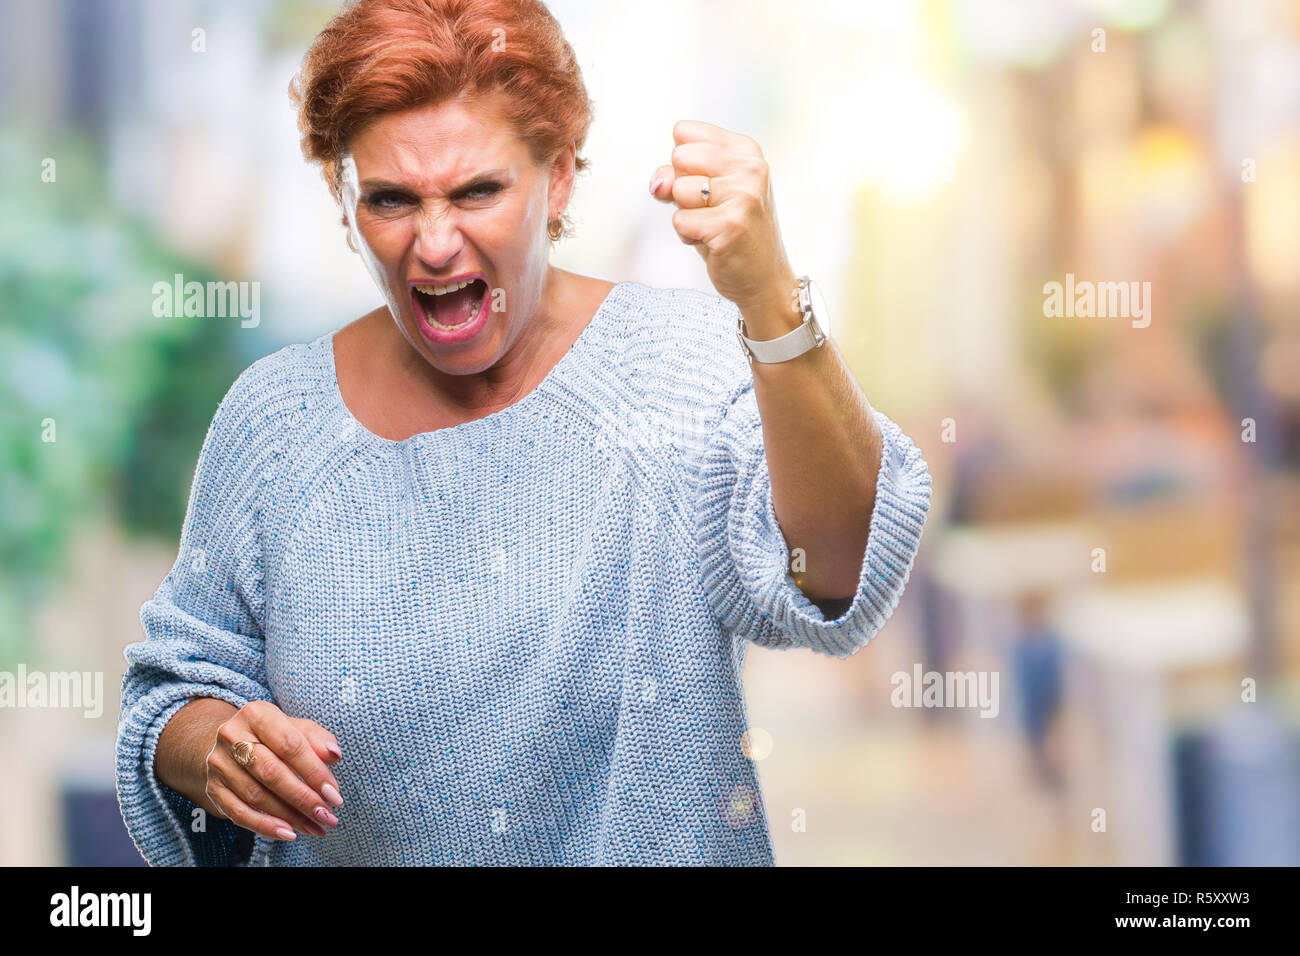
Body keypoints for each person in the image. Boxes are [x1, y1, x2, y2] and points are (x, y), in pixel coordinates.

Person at [115, 0, 933, 866]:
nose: (434, 244)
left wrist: (769, 298)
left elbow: (836, 574)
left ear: (561, 180)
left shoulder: (681, 376)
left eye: (478, 191)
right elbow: (174, 689)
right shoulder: (276, 424)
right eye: (390, 200)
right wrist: (213, 746)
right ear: (342, 198)